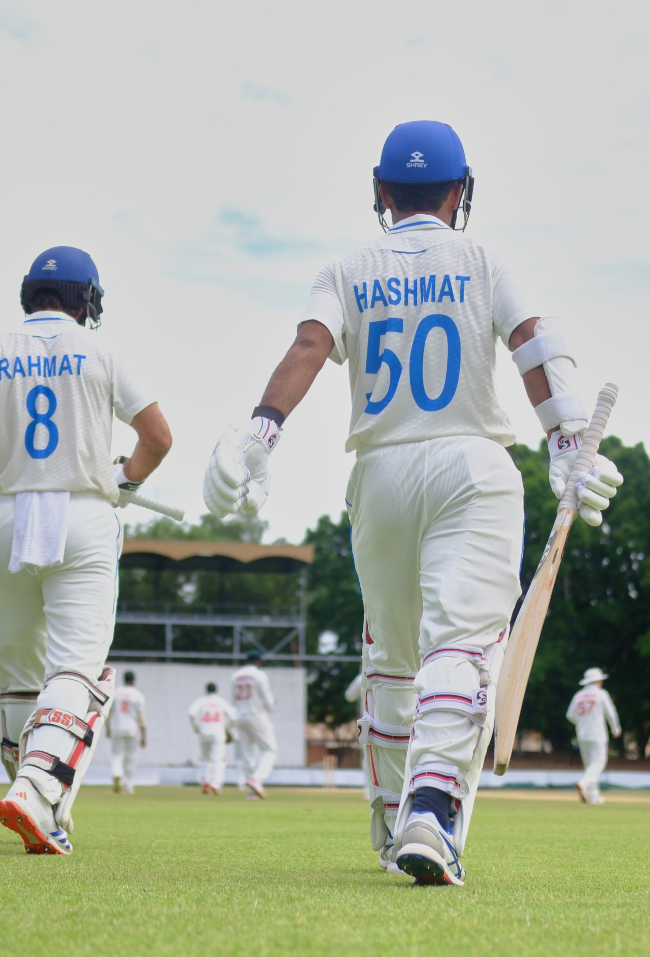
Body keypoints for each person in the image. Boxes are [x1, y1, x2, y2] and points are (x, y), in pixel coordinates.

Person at [201, 121, 624, 885]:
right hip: (472, 465)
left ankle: (396, 807)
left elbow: (307, 348)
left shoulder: (346, 267)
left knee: (394, 659)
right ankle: (431, 813)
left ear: (381, 192)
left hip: (380, 472)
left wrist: (260, 434)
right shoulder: (487, 257)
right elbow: (534, 342)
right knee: (458, 647)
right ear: (461, 192)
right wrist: (566, 441)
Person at [0, 246, 172, 854]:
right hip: (83, 515)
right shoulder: (104, 352)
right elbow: (159, 437)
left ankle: (36, 798)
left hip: (8, 514)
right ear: (87, 299)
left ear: (27, 295)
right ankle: (38, 791)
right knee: (75, 670)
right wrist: (125, 479)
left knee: (16, 676)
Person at [565, 668, 621, 804]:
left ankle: (593, 795)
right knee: (599, 763)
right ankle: (584, 784)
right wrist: (615, 728)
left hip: (582, 734)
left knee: (589, 765)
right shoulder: (601, 694)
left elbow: (570, 715)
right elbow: (610, 713)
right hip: (597, 733)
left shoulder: (578, 695)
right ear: (598, 681)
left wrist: (581, 722)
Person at [231, 650, 278, 799]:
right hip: (255, 714)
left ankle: (252, 792)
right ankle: (256, 780)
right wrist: (272, 705)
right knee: (270, 750)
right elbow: (267, 700)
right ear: (258, 662)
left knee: (246, 754)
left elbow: (233, 700)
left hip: (239, 716)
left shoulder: (235, 676)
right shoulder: (259, 674)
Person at [187, 681, 237, 795]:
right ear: (216, 690)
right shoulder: (221, 702)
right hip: (218, 733)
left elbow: (191, 713)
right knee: (218, 759)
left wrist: (196, 727)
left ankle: (205, 781)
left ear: (206, 690)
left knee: (205, 758)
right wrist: (227, 728)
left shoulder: (201, 701)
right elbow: (233, 717)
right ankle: (215, 783)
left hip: (203, 732)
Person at [110, 671, 147, 794]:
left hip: (118, 728)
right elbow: (141, 716)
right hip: (132, 729)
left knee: (117, 755)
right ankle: (128, 785)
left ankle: (116, 773)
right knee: (130, 758)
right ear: (133, 680)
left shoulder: (116, 693)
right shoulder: (137, 695)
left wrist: (107, 728)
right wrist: (143, 735)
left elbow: (109, 712)